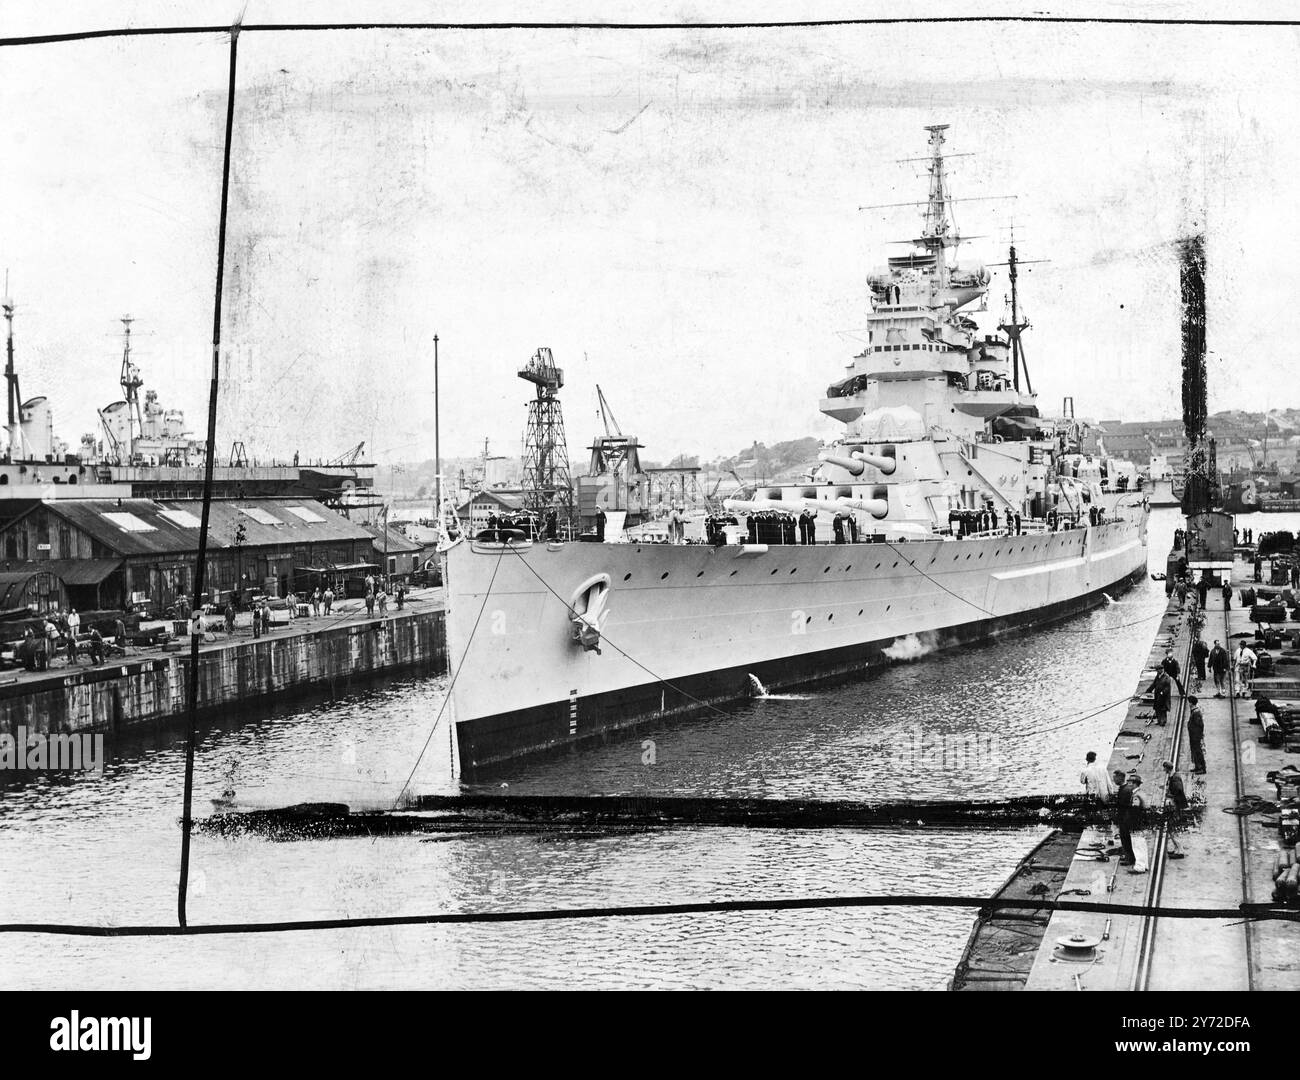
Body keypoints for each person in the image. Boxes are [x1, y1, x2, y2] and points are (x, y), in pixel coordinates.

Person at [1126, 775, 1149, 873]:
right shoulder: (1141, 793)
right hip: (1142, 823)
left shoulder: (1136, 796)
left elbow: (1135, 811)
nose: (1128, 784)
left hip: (1137, 824)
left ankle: (1139, 867)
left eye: (1130, 782)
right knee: (1142, 844)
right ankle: (1144, 865)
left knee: (1137, 845)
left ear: (1134, 783)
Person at [1114, 770, 1137, 866]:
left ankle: (1130, 858)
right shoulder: (1126, 788)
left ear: (1120, 778)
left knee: (1125, 838)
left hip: (1125, 818)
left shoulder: (1124, 790)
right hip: (1125, 817)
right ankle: (1129, 856)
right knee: (1125, 838)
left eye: (1115, 778)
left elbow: (1123, 806)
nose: (1114, 780)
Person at [1187, 696, 1206, 774]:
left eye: (1189, 702)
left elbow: (1200, 725)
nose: (1188, 704)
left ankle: (1202, 768)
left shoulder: (1196, 712)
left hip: (1196, 736)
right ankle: (1197, 766)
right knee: (1194, 751)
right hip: (1193, 735)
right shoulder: (1193, 711)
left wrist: (1198, 736)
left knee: (1198, 751)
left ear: (1191, 703)